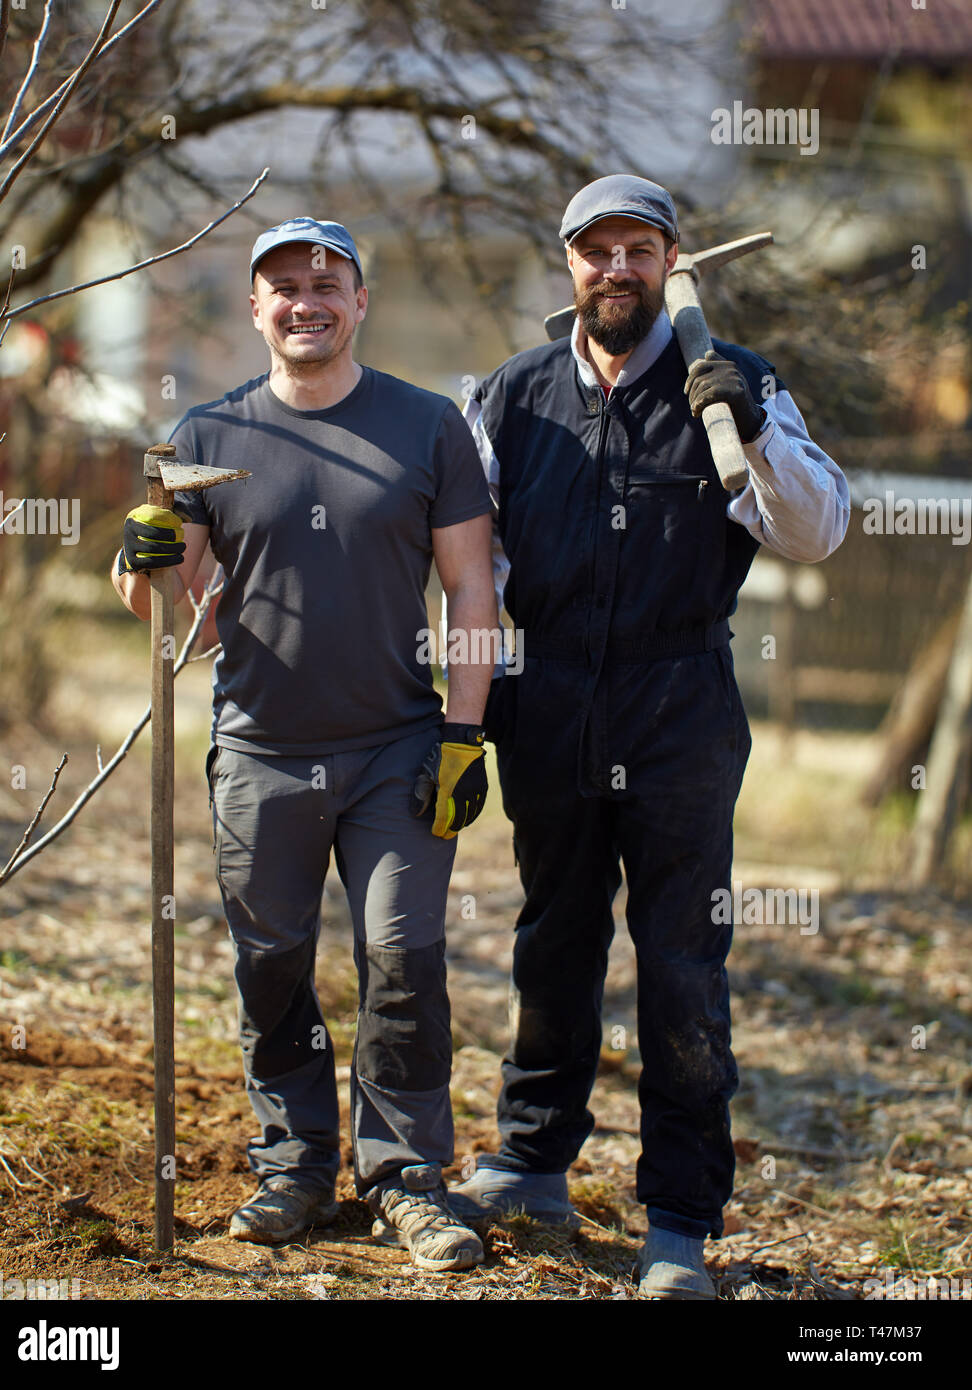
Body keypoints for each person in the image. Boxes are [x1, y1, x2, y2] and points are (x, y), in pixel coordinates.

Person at [449, 174, 850, 1298]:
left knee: (680, 964)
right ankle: (530, 1158)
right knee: (552, 939)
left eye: (637, 249)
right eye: (595, 250)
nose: (614, 269)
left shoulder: (733, 385)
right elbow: (473, 566)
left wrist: (756, 422)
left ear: (671, 262)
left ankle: (678, 1215)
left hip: (680, 705)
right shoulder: (511, 397)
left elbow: (817, 531)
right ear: (567, 264)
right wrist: (460, 713)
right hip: (551, 700)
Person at [112, 216, 498, 1272]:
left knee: (402, 956)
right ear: (255, 308)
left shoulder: (426, 428)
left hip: (396, 748)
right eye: (282, 286)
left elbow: (470, 585)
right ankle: (292, 1163)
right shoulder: (207, 436)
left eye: (326, 283)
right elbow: (163, 609)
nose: (305, 300)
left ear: (359, 301)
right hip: (260, 751)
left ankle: (405, 1177)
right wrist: (141, 556)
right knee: (271, 963)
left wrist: (465, 732)